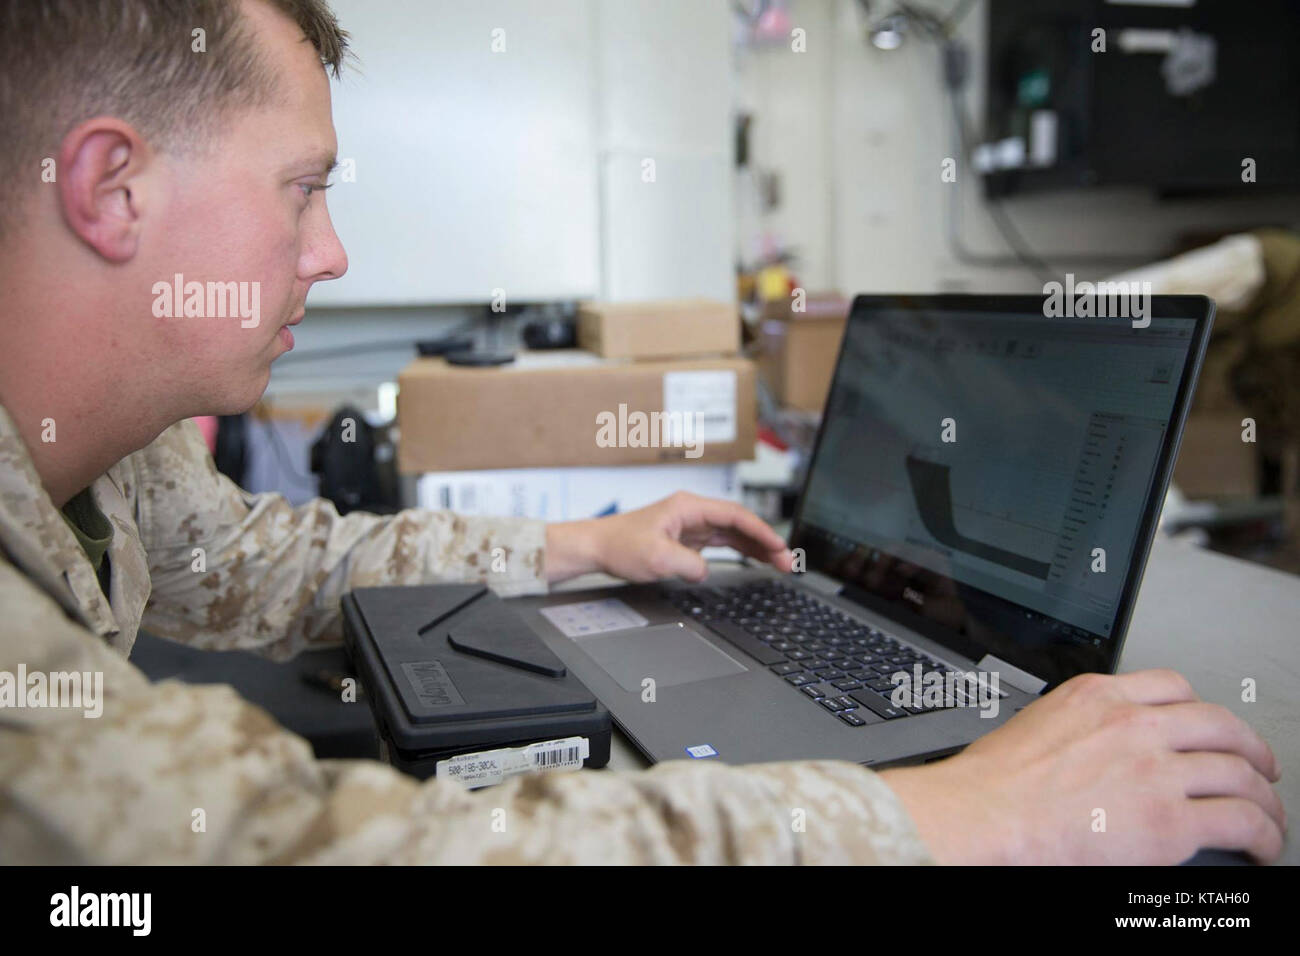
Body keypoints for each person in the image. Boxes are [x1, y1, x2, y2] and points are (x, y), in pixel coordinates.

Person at [0, 0, 1284, 865]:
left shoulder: (119, 443)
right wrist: (947, 814)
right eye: (305, 190)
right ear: (113, 189)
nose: (330, 254)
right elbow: (292, 842)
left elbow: (247, 562)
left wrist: (579, 539)